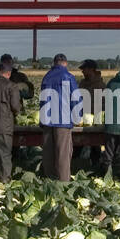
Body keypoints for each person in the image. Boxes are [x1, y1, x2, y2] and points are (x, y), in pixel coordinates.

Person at [39, 53, 81, 181]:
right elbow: (76, 99)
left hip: (47, 121)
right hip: (62, 121)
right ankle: (63, 183)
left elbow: (42, 100)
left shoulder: (46, 77)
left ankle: (50, 180)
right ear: (66, 63)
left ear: (54, 63)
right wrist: (77, 118)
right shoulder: (68, 77)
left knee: (48, 154)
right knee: (62, 154)